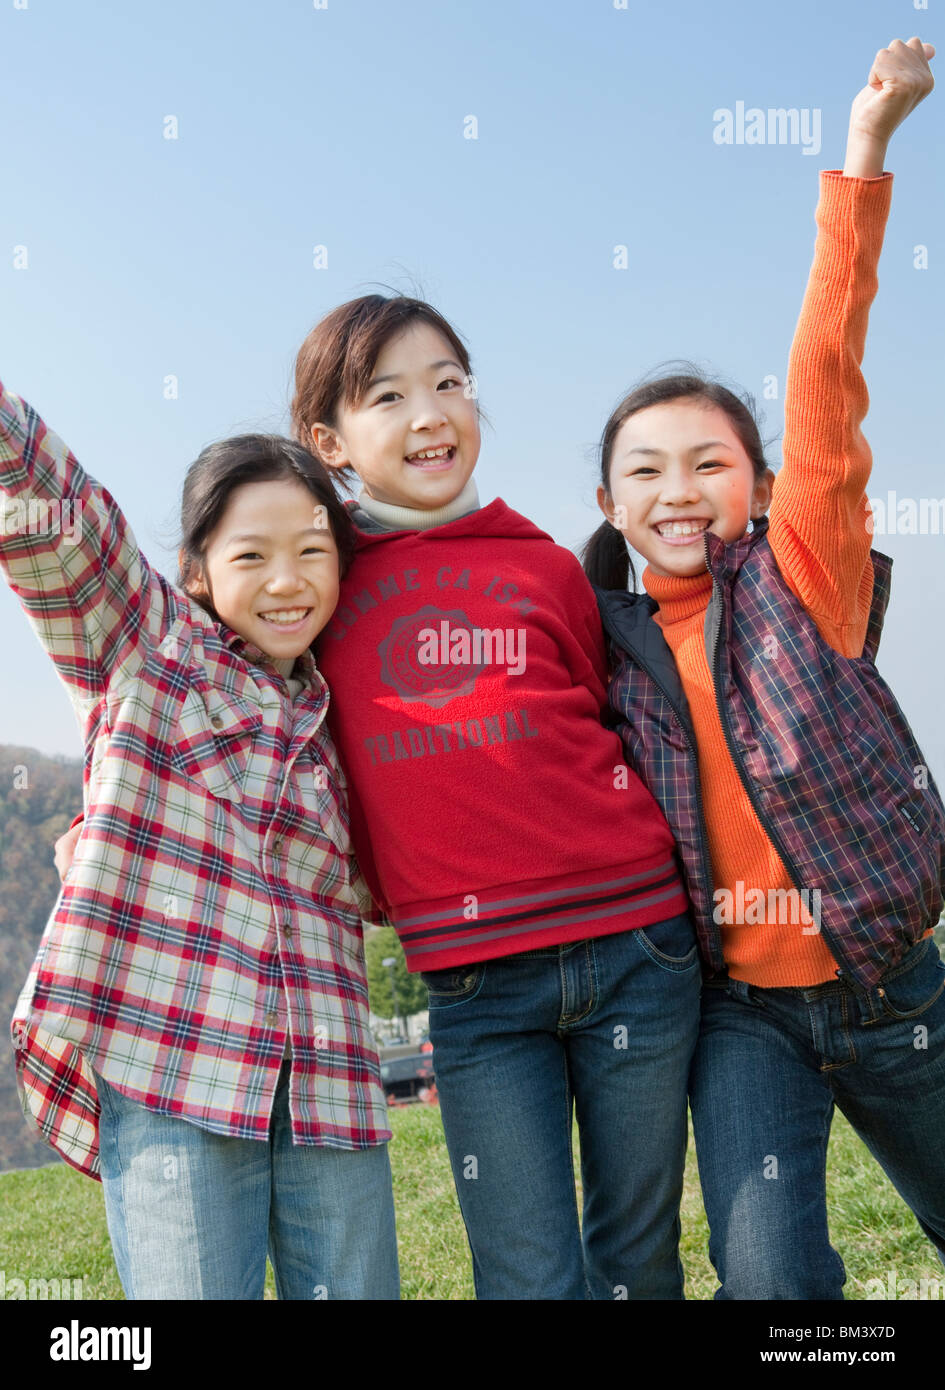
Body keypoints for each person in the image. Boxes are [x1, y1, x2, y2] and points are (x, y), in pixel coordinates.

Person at [586, 37, 945, 1299]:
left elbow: (825, 375)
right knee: (769, 1288)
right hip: (747, 1021)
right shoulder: (601, 645)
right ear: (608, 501)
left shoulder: (807, 575)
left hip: (896, 990)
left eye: (709, 461)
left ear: (761, 483)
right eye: (647, 469)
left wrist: (862, 152)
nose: (679, 490)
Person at [283, 300, 703, 1298]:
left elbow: (611, 720)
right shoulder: (320, 588)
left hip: (637, 944)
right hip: (473, 987)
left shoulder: (548, 566)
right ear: (329, 441)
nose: (431, 414)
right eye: (388, 396)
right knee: (524, 1274)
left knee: (637, 1261)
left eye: (449, 383)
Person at [2, 398, 399, 1300]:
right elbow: (58, 517)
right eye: (250, 556)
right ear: (199, 571)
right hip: (176, 1066)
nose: (286, 580)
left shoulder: (349, 725)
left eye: (310, 551)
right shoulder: (149, 647)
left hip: (329, 1080)